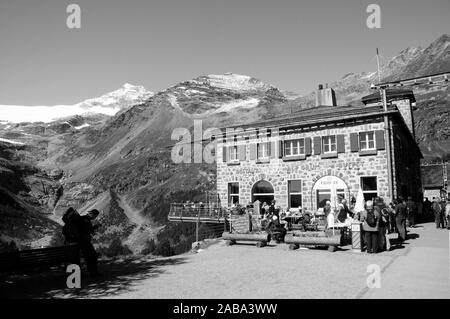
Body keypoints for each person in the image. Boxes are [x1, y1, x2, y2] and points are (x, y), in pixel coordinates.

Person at [78, 209, 101, 276]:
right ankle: (93, 272)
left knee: (90, 256)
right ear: (92, 214)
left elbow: (88, 230)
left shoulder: (84, 219)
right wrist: (96, 227)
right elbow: (88, 230)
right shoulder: (86, 220)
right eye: (95, 216)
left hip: (82, 241)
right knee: (92, 256)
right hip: (84, 242)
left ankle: (93, 272)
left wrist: (94, 228)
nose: (95, 218)